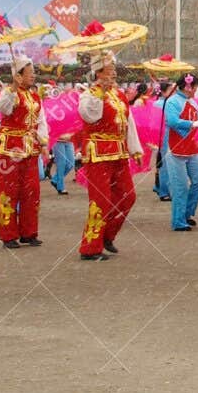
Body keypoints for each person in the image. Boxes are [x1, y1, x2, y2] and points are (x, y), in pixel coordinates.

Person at [77, 53, 142, 260]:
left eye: (114, 68)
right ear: (98, 72)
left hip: (119, 153)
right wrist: (99, 94)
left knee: (128, 196)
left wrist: (135, 149)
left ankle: (107, 235)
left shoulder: (119, 95)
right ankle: (90, 248)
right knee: (100, 201)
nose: (113, 71)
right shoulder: (88, 94)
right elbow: (90, 116)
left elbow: (128, 123)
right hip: (97, 153)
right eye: (108, 68)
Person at [0, 58, 49, 249]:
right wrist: (11, 89)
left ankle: (29, 232)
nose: (33, 75)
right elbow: (2, 109)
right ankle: (8, 235)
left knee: (31, 192)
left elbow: (41, 121)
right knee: (8, 192)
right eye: (30, 72)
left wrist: (43, 142)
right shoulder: (9, 93)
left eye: (34, 71)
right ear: (18, 75)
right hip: (10, 149)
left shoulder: (35, 96)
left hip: (30, 149)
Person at [161, 73, 198, 232]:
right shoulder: (172, 101)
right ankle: (178, 221)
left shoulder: (192, 102)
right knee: (180, 187)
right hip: (176, 151)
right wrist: (193, 124)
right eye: (195, 87)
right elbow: (172, 121)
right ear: (188, 86)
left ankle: (186, 213)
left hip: (193, 149)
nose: (196, 90)